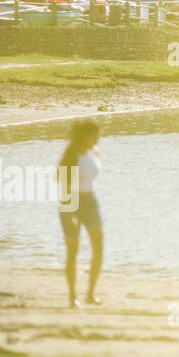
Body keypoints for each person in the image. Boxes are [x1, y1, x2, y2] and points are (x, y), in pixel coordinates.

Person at [58, 120, 104, 307]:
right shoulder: (71, 156)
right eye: (94, 135)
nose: (97, 138)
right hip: (73, 203)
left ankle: (90, 294)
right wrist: (70, 216)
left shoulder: (94, 151)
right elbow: (65, 187)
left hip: (91, 201)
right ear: (83, 136)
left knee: (99, 247)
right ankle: (71, 297)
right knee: (73, 251)